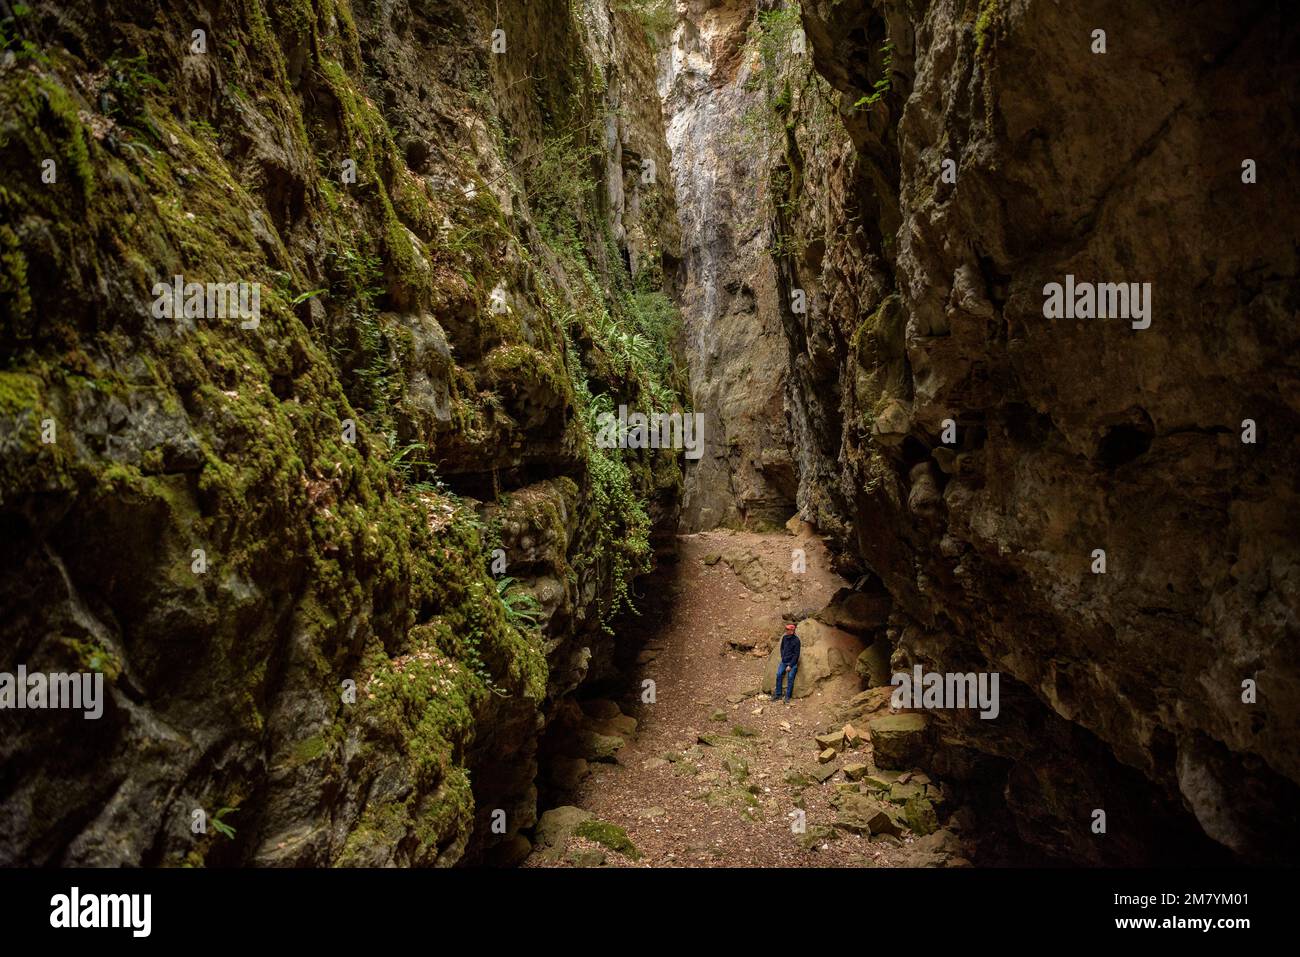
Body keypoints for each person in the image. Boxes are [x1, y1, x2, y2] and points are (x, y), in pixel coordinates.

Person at [774, 622, 801, 704]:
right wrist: (783, 656)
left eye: (788, 629)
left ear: (792, 631)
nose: (786, 630)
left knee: (790, 678)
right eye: (786, 629)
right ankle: (778, 694)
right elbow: (782, 648)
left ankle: (787, 697)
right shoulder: (784, 638)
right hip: (784, 661)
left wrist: (790, 665)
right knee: (778, 675)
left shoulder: (797, 641)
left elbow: (796, 655)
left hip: (792, 663)